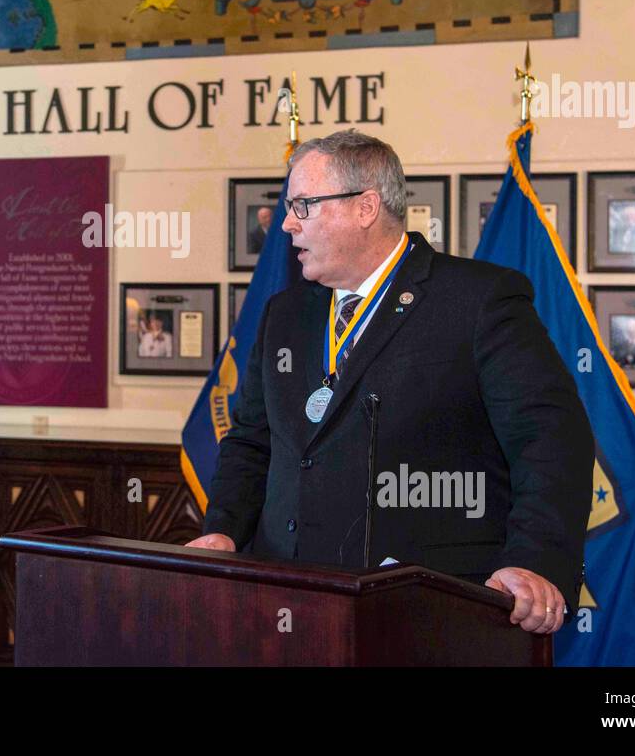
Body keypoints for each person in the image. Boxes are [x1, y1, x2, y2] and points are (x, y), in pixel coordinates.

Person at [187, 130, 594, 635]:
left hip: (426, 608)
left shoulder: (478, 301)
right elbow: (251, 440)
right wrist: (223, 531)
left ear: (366, 207)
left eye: (304, 205)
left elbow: (551, 442)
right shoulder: (285, 314)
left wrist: (534, 562)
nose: (287, 223)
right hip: (289, 602)